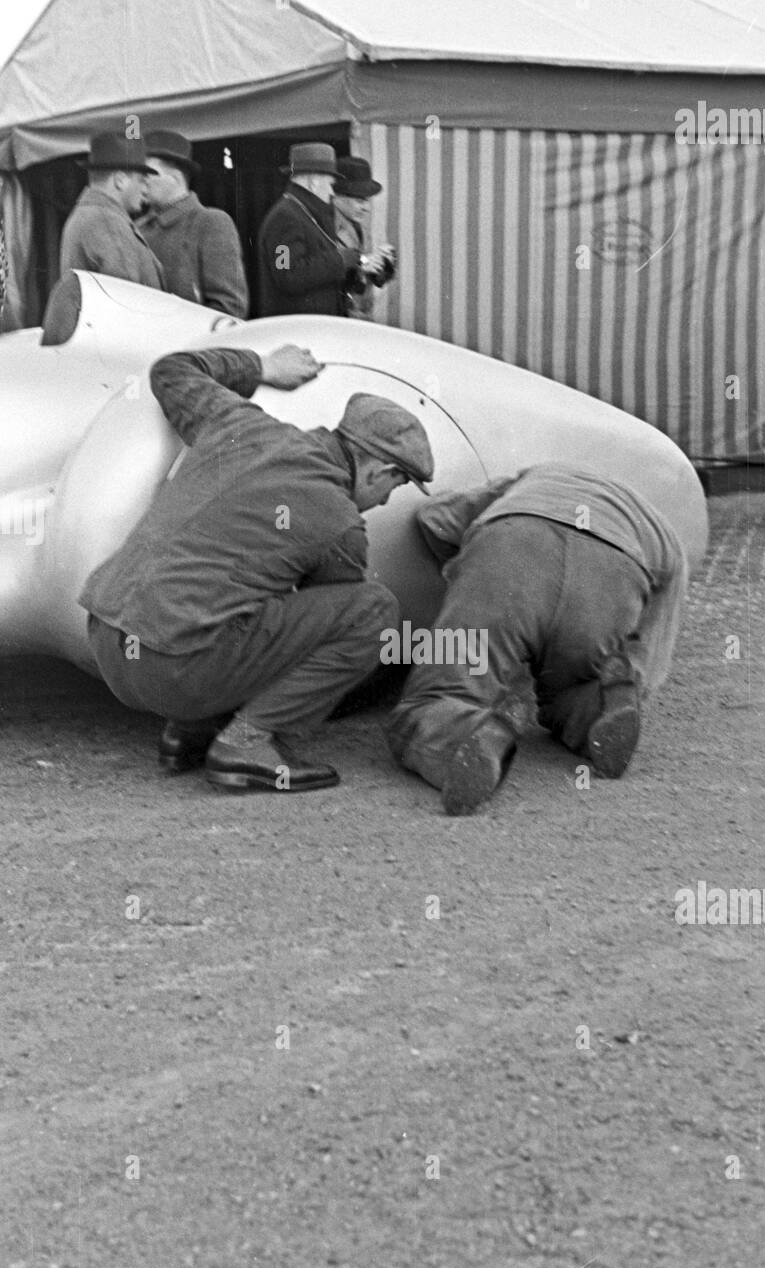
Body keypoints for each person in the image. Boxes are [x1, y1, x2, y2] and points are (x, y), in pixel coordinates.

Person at [77, 345, 435, 793]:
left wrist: (264, 367)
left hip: (106, 638)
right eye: (396, 486)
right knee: (372, 613)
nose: (385, 501)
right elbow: (317, 642)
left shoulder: (238, 422)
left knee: (241, 598)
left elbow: (171, 370)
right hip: (171, 668)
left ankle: (193, 728)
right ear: (380, 471)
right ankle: (245, 742)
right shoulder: (339, 523)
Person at [387, 464, 688, 815]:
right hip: (614, 568)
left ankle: (467, 736)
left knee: (439, 696)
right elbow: (655, 639)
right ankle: (598, 710)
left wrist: (466, 586)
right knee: (575, 685)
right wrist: (635, 681)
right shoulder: (661, 532)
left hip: (513, 545)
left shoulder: (535, 476)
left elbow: (434, 517)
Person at [138, 129, 249, 318]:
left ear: (174, 178)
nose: (140, 182)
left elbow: (231, 308)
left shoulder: (211, 223)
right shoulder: (138, 227)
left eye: (147, 175)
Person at [256, 143, 360, 316]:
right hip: (297, 331)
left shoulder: (302, 213)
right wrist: (339, 260)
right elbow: (288, 274)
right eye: (330, 185)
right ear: (314, 183)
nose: (332, 192)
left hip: (311, 328)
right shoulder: (284, 218)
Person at [59, 132, 165, 289]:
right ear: (120, 180)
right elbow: (129, 299)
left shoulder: (88, 214)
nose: (145, 189)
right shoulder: (107, 221)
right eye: (141, 180)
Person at [332, 156, 395, 320]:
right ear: (337, 197)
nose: (366, 208)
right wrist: (363, 263)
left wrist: (384, 266)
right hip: (333, 315)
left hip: (354, 314)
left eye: (367, 201)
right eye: (360, 201)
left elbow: (368, 276)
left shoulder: (359, 227)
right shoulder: (323, 225)